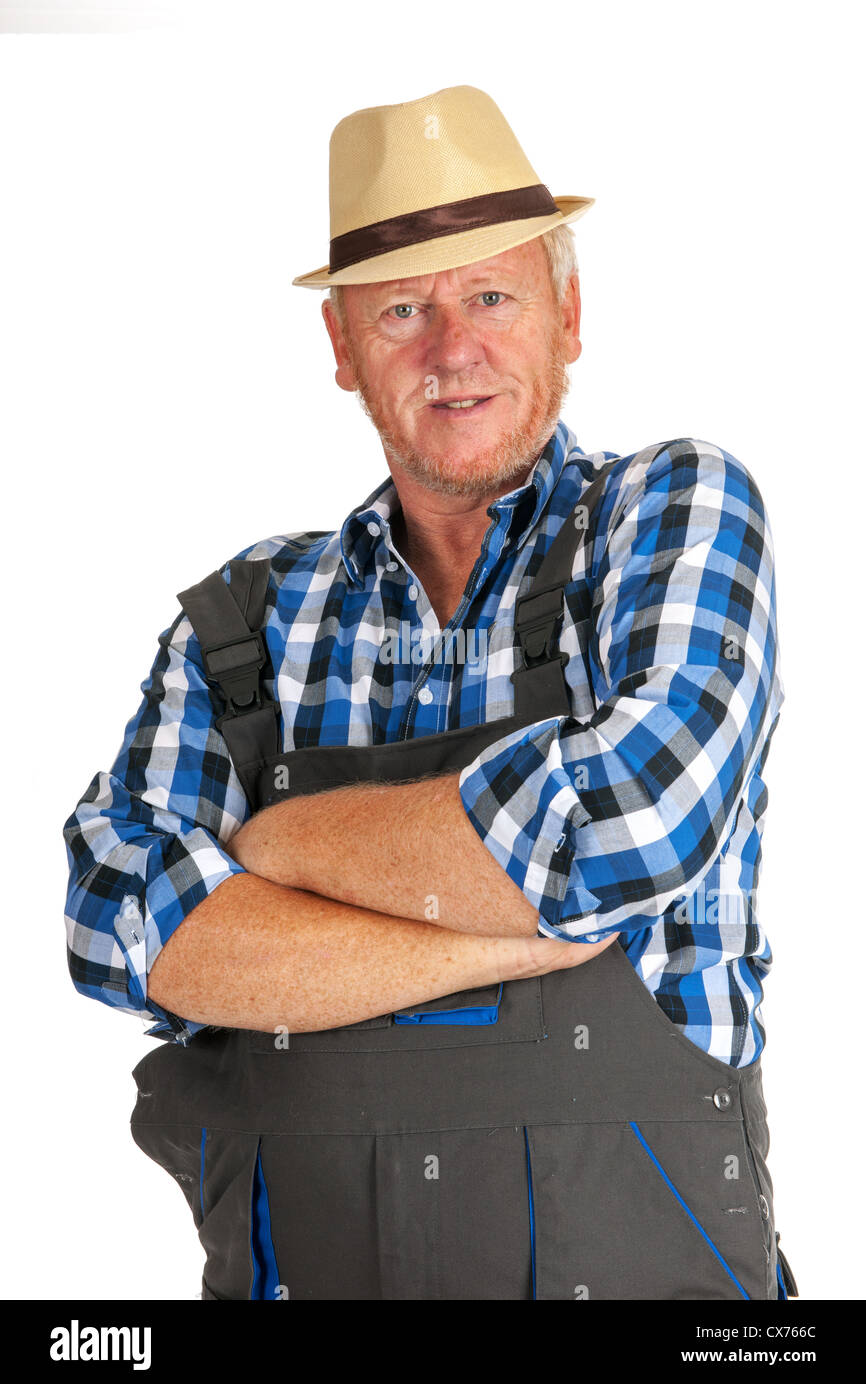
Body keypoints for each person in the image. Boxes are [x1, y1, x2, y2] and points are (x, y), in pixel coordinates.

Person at [63, 84, 796, 1301]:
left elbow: (629, 820)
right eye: (401, 309)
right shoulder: (243, 621)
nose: (451, 349)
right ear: (342, 351)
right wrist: (499, 939)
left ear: (568, 313)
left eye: (491, 295)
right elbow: (111, 918)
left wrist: (272, 853)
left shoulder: (670, 515)